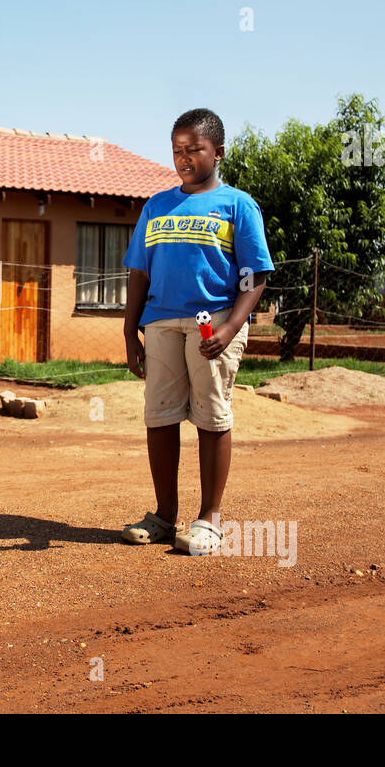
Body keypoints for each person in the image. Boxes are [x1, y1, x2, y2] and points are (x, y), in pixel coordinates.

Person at [120, 108, 273, 554]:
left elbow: (255, 274)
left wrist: (231, 326)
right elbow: (138, 273)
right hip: (161, 321)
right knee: (160, 416)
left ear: (218, 152)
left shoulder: (237, 205)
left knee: (210, 415)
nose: (184, 158)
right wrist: (131, 333)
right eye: (177, 151)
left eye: (194, 149)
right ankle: (164, 515)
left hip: (214, 324)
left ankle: (209, 519)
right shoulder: (157, 205)